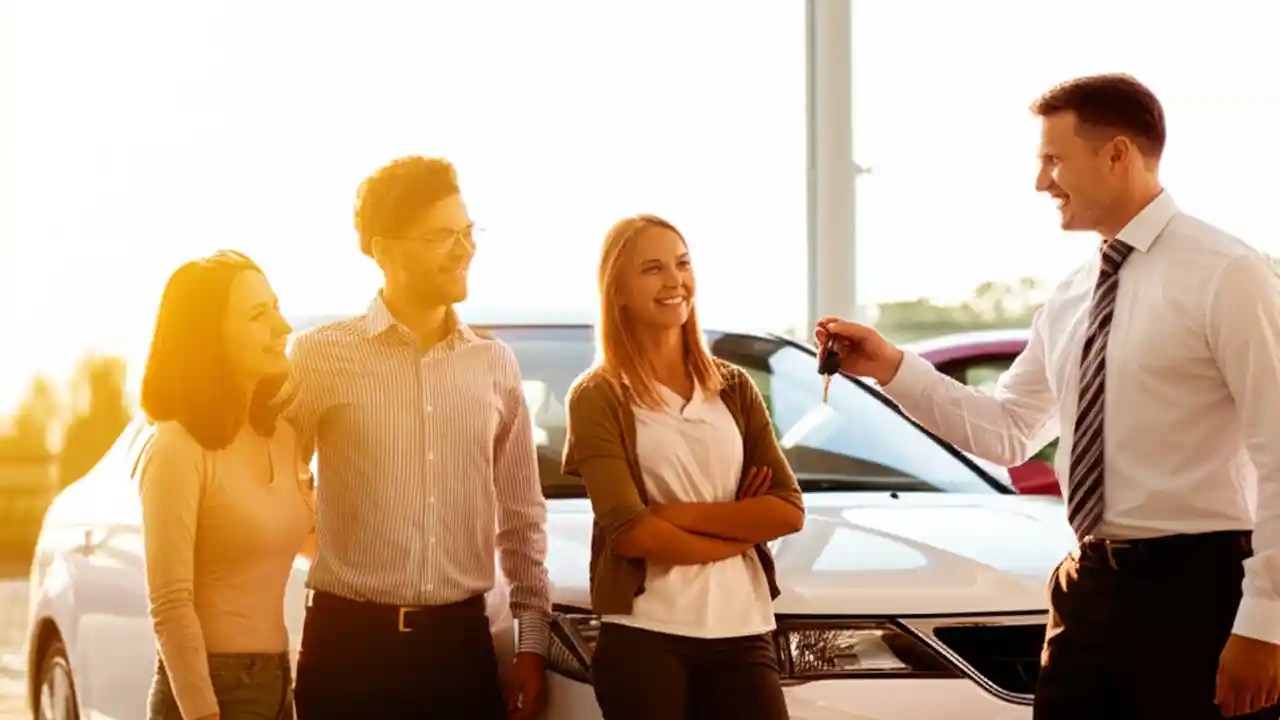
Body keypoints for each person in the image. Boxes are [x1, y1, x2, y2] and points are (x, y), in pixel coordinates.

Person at [816, 73, 1280, 719]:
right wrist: (893, 366)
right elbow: (1009, 431)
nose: (1042, 181)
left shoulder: (1229, 274)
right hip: (1086, 589)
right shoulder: (1071, 294)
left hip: (1201, 592)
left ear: (1116, 154)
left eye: (1053, 159)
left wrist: (1265, 622)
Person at [286, 155, 551, 719]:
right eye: (441, 236)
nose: (464, 249)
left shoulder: (495, 365)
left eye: (466, 231)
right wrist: (332, 542)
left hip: (459, 651)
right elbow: (276, 481)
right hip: (346, 649)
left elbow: (522, 517)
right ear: (385, 251)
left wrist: (531, 644)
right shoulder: (318, 357)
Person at [562, 214, 805, 720]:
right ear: (619, 291)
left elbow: (786, 510)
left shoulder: (732, 386)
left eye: (682, 263)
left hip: (743, 631)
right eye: (653, 268)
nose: (674, 280)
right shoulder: (598, 395)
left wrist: (670, 514)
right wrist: (740, 532)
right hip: (646, 637)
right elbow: (629, 532)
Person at [136, 250, 314, 720]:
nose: (282, 328)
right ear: (207, 337)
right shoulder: (176, 446)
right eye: (259, 315)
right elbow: (170, 603)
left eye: (275, 309)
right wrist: (203, 713)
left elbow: (309, 543)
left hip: (277, 683)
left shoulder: (282, 437)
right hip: (212, 692)